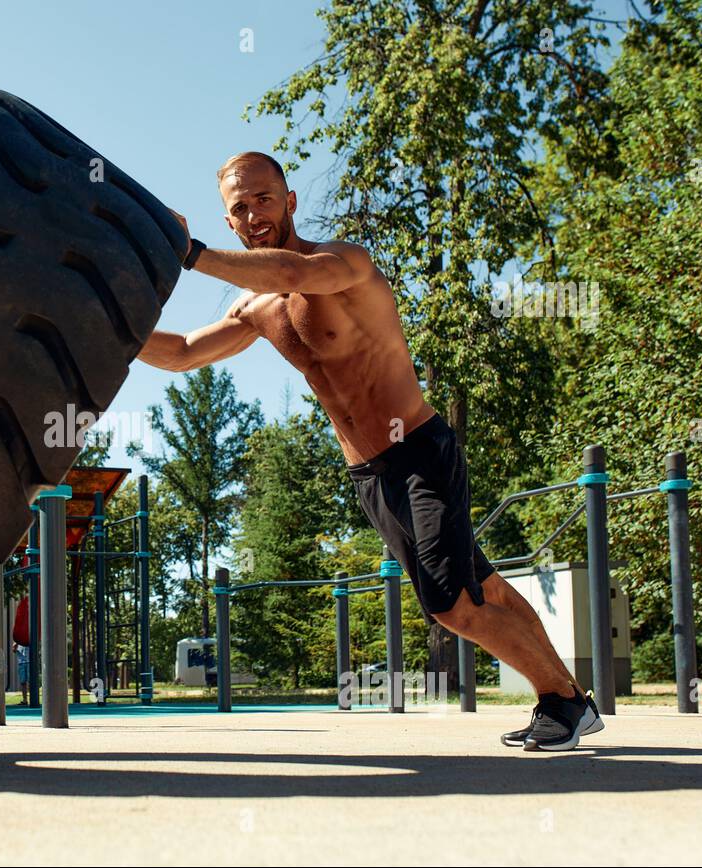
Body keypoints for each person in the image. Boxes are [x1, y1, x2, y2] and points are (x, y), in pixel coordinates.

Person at [137, 151, 602, 751]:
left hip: (419, 452)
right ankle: (569, 701)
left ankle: (560, 703)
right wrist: (106, 330)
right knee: (481, 590)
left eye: (263, 200)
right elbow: (181, 352)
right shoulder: (254, 308)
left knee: (451, 605)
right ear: (229, 221)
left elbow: (289, 275)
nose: (253, 215)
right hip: (369, 476)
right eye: (239, 208)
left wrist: (191, 254)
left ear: (290, 202)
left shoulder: (344, 263)